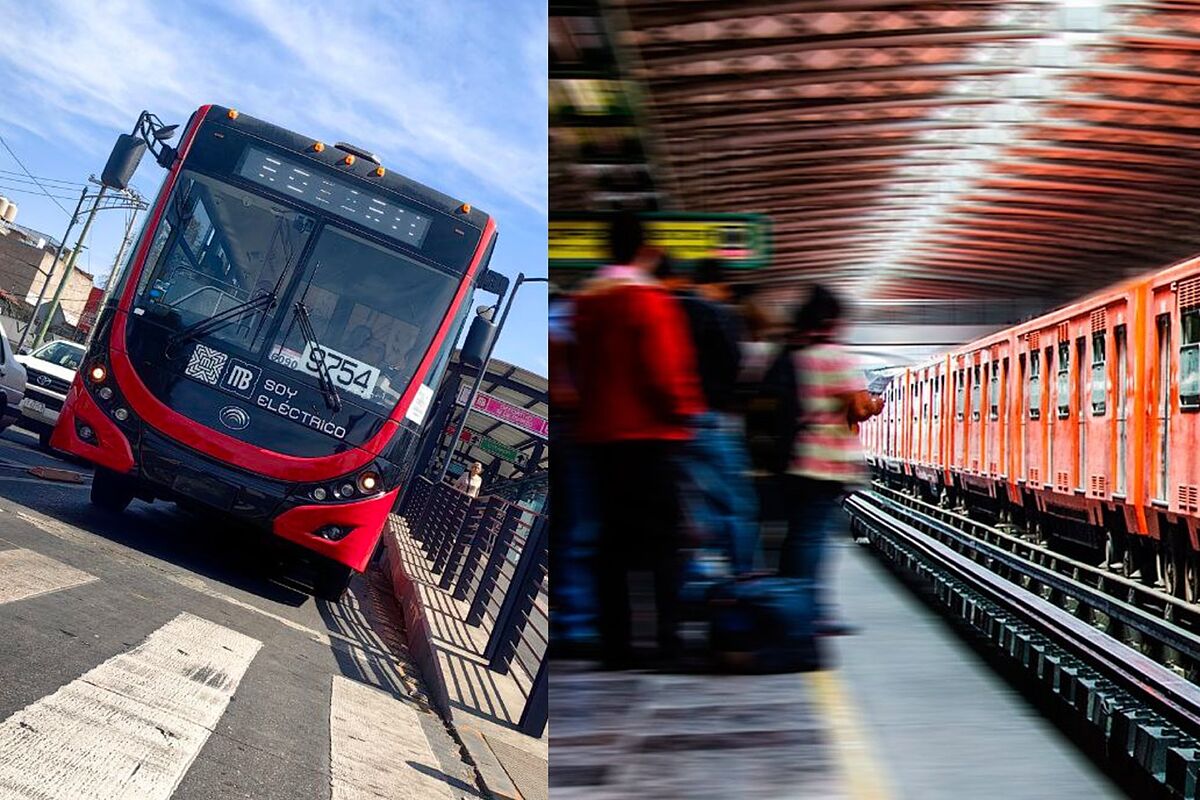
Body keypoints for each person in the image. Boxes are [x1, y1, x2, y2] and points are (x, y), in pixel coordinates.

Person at [572, 210, 705, 667]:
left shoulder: (585, 304)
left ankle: (617, 646)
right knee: (665, 545)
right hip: (652, 438)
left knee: (614, 546)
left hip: (600, 439)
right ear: (644, 250)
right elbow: (666, 374)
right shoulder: (650, 302)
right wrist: (686, 414)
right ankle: (665, 642)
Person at [781, 285, 875, 636]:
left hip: (796, 454)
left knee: (800, 533)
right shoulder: (837, 357)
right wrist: (869, 406)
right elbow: (862, 406)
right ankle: (812, 610)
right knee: (816, 536)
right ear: (833, 320)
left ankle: (795, 604)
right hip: (826, 458)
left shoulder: (795, 354)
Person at [657, 257, 759, 574]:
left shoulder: (665, 310)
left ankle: (693, 571)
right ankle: (740, 578)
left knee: (682, 499)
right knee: (735, 505)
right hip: (710, 419)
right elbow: (737, 367)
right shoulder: (718, 313)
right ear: (720, 286)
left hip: (667, 423)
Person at [547, 282, 600, 652]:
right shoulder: (565, 319)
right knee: (580, 528)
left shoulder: (563, 316)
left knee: (572, 528)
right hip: (576, 435)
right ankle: (575, 619)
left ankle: (572, 615)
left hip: (571, 436)